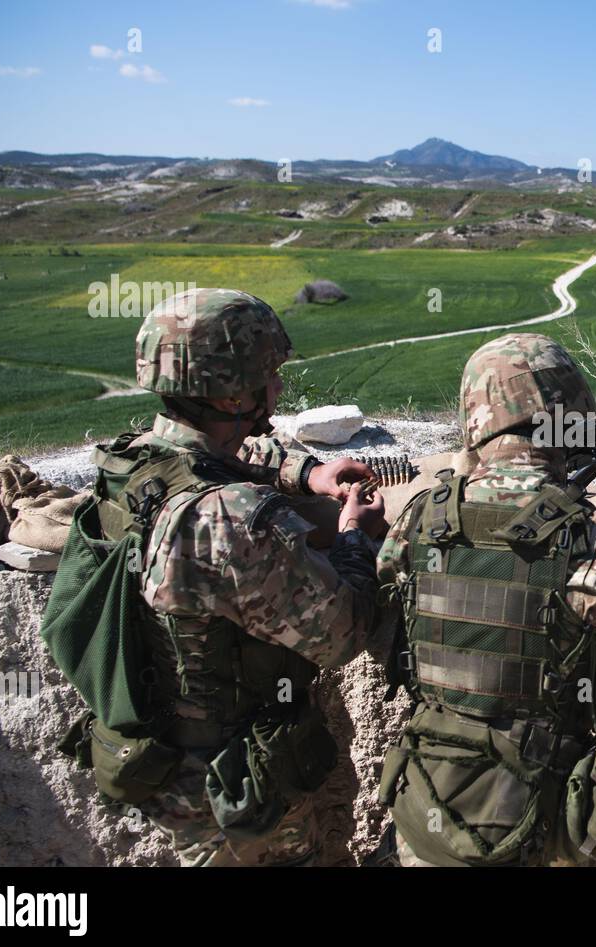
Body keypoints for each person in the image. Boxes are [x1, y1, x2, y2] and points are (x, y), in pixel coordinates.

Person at [50, 287, 389, 865]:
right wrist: (357, 535)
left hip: (169, 761)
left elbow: (226, 457)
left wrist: (310, 474)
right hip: (237, 792)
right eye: (269, 375)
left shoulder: (135, 462)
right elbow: (346, 632)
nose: (278, 388)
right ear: (233, 395)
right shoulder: (229, 520)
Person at [373, 333, 596, 866]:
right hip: (536, 814)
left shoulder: (422, 517)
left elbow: (392, 582)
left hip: (426, 804)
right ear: (572, 414)